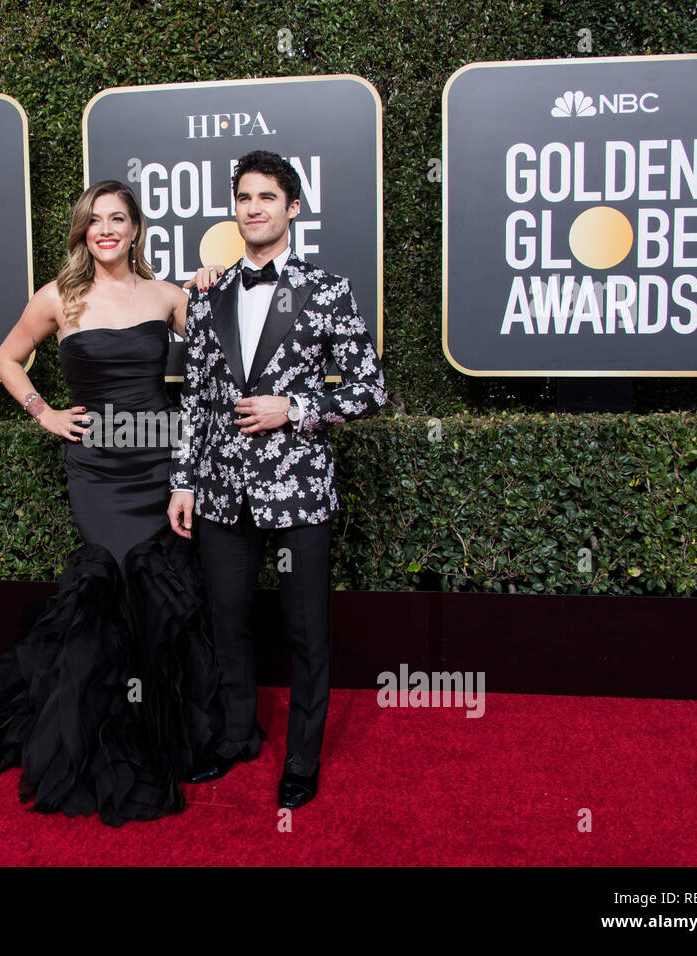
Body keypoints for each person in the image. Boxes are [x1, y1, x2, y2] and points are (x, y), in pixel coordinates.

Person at [0, 180, 218, 827]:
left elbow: (219, 365)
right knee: (110, 589)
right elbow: (6, 356)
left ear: (138, 229)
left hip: (160, 461)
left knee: (161, 593)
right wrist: (44, 411)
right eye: (95, 220)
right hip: (97, 470)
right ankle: (99, 738)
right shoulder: (58, 297)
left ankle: (168, 735)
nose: (106, 229)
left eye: (118, 218)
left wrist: (213, 293)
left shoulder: (168, 295)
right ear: (83, 231)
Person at [168, 150, 387, 810]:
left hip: (298, 493)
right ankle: (237, 737)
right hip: (221, 492)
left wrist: (295, 408)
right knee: (228, 622)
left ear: (292, 208)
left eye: (267, 196)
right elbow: (197, 399)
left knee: (305, 632)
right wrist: (184, 480)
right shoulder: (207, 294)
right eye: (243, 197)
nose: (253, 207)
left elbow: (370, 388)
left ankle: (302, 757)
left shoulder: (327, 290)